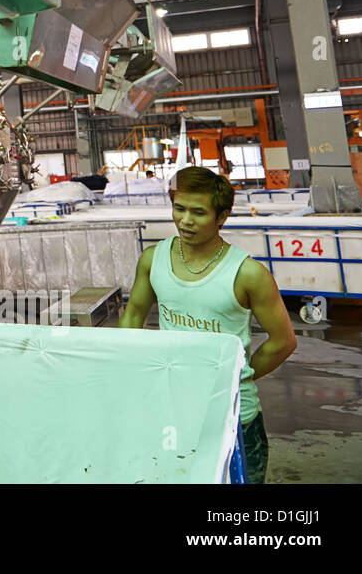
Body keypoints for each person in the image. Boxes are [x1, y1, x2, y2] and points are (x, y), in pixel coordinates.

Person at [118, 166, 296, 484]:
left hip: (233, 416)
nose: (185, 220)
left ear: (222, 216)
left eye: (198, 212)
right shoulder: (152, 260)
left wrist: (238, 372)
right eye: (179, 208)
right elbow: (133, 317)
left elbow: (283, 341)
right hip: (171, 410)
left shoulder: (248, 274)